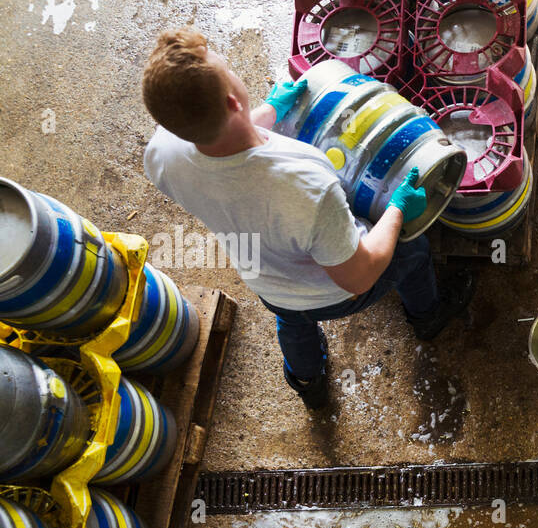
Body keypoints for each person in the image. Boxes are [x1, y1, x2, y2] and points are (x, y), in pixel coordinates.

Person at [139, 28, 472, 409]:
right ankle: (428, 317)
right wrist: (397, 208)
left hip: (264, 278)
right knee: (412, 251)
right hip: (332, 290)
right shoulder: (306, 184)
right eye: (227, 68)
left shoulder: (162, 152)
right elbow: (358, 276)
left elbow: (221, 154)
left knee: (293, 317)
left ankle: (307, 381)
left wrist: (267, 112)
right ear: (233, 101)